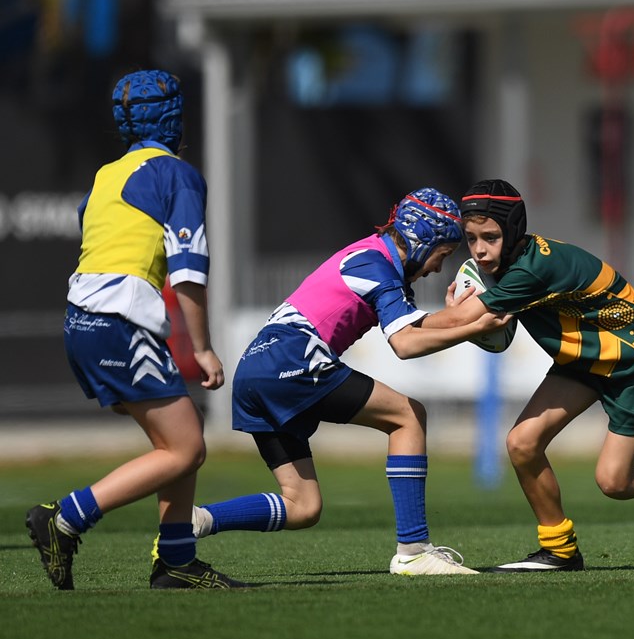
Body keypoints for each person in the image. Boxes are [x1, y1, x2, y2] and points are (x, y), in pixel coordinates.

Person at [193, 188, 510, 576]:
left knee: (302, 506)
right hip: (295, 358)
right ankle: (413, 550)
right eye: (441, 256)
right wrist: (474, 326)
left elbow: (414, 324)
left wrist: (459, 317)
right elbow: (406, 344)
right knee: (408, 417)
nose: (437, 269)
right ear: (422, 240)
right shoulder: (375, 265)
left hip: (254, 371)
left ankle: (192, 522)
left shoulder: (372, 257)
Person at [25, 69, 244, 589]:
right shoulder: (177, 174)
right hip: (119, 321)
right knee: (187, 448)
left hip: (82, 319)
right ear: (175, 119)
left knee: (179, 436)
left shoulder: (107, 174)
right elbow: (188, 271)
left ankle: (175, 562)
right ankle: (64, 520)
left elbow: (94, 229)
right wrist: (204, 349)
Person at [427, 179, 634, 572]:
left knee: (615, 483)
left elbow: (472, 319)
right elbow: (492, 332)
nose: (478, 249)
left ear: (512, 231)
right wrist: (463, 319)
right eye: (471, 237)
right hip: (584, 358)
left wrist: (401, 323)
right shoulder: (505, 263)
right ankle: (559, 549)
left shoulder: (532, 268)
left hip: (632, 358)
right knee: (522, 444)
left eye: (490, 237)